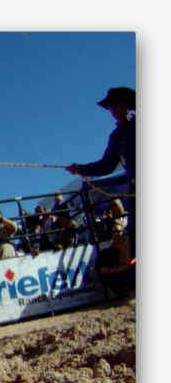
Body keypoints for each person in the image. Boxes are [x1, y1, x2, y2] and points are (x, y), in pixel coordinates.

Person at [66, 87, 135, 257]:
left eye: (116, 104)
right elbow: (107, 165)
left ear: (129, 103)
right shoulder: (117, 135)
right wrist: (81, 169)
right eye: (110, 107)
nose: (113, 110)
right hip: (136, 190)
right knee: (136, 234)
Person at [95, 223, 134, 299]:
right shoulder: (112, 246)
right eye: (113, 232)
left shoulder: (127, 244)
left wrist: (112, 270)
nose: (116, 234)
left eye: (118, 231)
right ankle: (121, 293)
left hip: (130, 271)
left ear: (122, 232)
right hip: (119, 270)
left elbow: (129, 265)